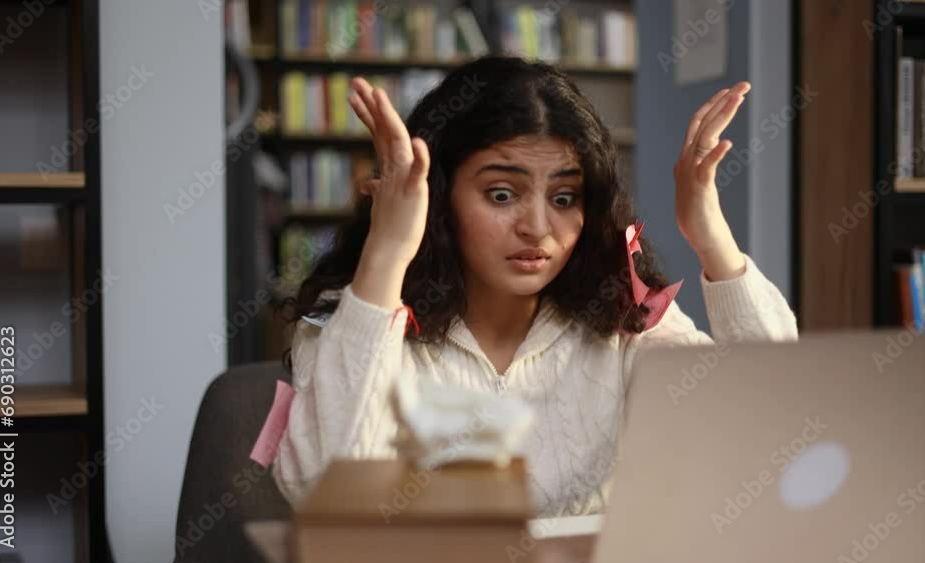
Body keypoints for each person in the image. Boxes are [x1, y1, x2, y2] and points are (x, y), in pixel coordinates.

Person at [272, 56, 797, 518]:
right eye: (502, 195)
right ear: (435, 197)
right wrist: (387, 254)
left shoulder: (621, 318)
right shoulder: (345, 321)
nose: (538, 228)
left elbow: (770, 429)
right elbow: (330, 501)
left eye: (565, 198)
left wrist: (712, 239)